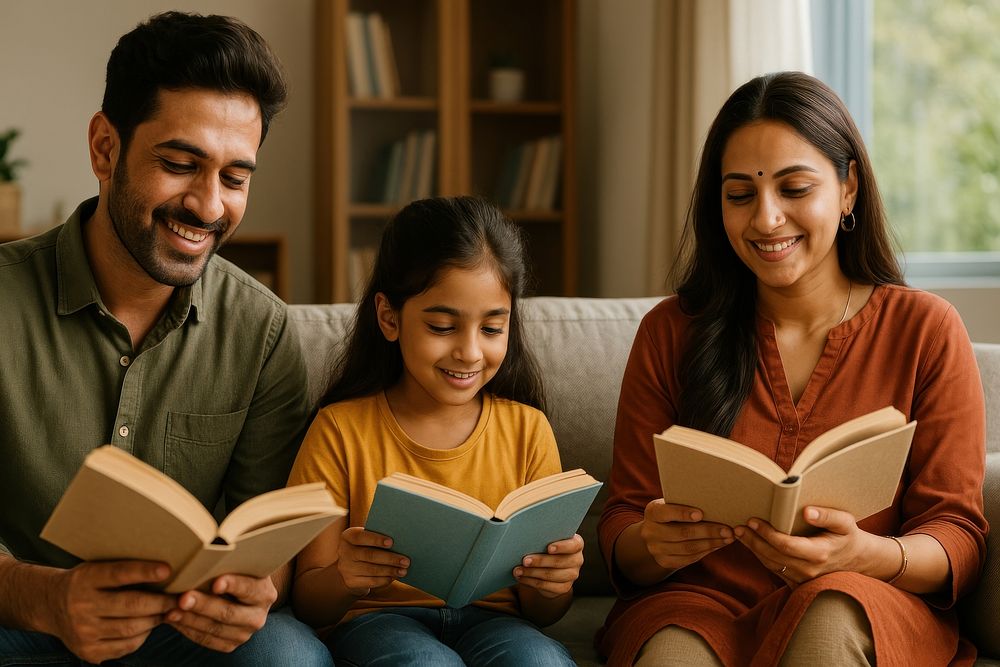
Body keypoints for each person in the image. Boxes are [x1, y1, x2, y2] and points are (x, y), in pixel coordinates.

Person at [597, 71, 988, 666]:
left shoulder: (925, 330)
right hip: (697, 602)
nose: (767, 219)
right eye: (740, 195)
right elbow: (623, 523)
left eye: (795, 188)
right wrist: (652, 543)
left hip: (862, 595)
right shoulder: (671, 332)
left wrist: (866, 555)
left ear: (848, 187)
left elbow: (957, 532)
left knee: (830, 620)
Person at [0, 12, 331, 667]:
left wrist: (252, 589)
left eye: (235, 178)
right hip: (21, 620)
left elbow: (270, 542)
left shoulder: (262, 332)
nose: (209, 206)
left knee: (288, 655)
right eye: (181, 164)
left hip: (178, 629)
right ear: (104, 148)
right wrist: (50, 598)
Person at [287, 196, 581, 666]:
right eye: (443, 326)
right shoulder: (340, 430)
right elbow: (308, 602)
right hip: (379, 622)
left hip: (498, 623)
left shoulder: (528, 429)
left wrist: (553, 582)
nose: (469, 352)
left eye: (491, 328)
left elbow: (545, 612)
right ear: (389, 317)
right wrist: (345, 574)